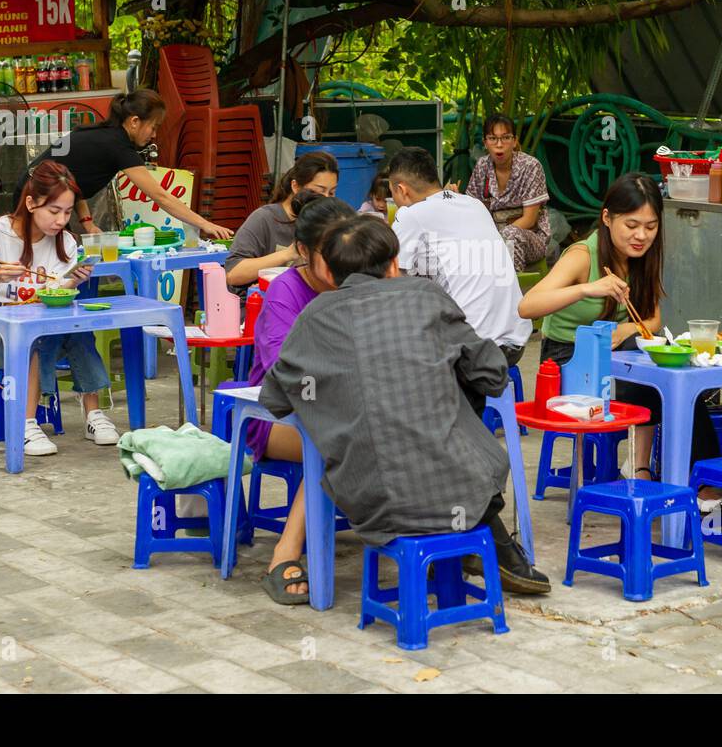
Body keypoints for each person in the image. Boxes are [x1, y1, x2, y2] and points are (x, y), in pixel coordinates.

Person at [260, 215, 550, 595]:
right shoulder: (425, 297)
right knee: (464, 382)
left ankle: (470, 546)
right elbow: (493, 375)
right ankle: (485, 542)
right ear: (394, 264)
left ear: (329, 271)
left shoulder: (314, 317)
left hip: (367, 501)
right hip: (465, 488)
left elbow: (276, 399)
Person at [519, 173, 719, 477]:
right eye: (632, 225)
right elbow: (527, 306)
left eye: (650, 227)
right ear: (607, 218)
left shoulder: (643, 258)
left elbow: (652, 321)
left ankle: (700, 474)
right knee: (638, 359)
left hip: (617, 352)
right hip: (567, 356)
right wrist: (587, 289)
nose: (641, 236)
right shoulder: (582, 255)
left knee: (668, 367)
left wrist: (626, 329)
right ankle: (641, 467)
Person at [238, 192, 357, 603]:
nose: (345, 263)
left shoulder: (357, 284)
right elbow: (284, 373)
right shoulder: (286, 291)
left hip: (344, 414)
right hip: (276, 420)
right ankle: (283, 554)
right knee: (336, 443)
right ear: (303, 251)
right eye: (334, 254)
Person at [0, 160, 119, 457]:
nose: (61, 220)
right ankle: (25, 425)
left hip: (44, 329)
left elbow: (55, 297)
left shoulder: (66, 243)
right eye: (54, 211)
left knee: (78, 330)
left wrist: (73, 281)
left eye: (68, 211)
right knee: (28, 337)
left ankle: (93, 416)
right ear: (31, 203)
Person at [17, 89, 233, 241]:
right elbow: (160, 196)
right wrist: (204, 224)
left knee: (64, 255)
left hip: (40, 196)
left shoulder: (106, 136)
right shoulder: (118, 146)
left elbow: (74, 181)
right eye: (153, 127)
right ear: (134, 121)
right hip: (35, 199)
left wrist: (88, 224)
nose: (154, 135)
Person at [387, 146, 532, 368]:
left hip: (473, 350)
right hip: (516, 342)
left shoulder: (410, 215)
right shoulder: (474, 205)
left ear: (401, 189)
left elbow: (391, 278)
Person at [224, 151, 339, 292]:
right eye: (318, 191)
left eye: (331, 193)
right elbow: (233, 274)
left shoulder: (327, 222)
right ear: (295, 186)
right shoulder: (264, 219)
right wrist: (288, 254)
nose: (325, 199)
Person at [463, 114, 551, 271]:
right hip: (491, 237)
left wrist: (496, 240)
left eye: (505, 138)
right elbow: (471, 211)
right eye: (492, 138)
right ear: (485, 142)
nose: (499, 144)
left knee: (510, 236)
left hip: (529, 238)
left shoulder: (530, 166)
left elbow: (529, 220)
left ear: (514, 141)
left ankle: (511, 290)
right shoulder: (482, 166)